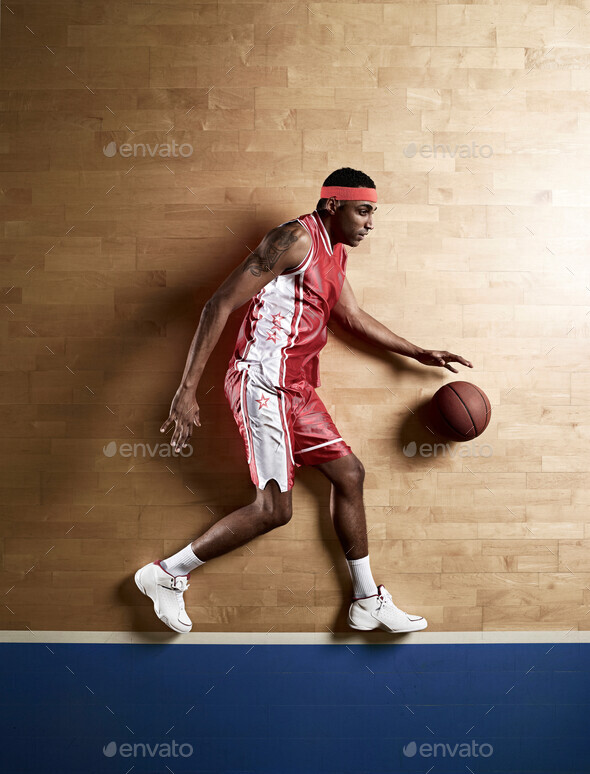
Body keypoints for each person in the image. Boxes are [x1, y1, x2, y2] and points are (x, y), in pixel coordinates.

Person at [135, 167, 473, 634]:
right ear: (333, 205)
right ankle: (166, 575)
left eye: (373, 212)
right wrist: (186, 391)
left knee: (350, 474)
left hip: (297, 389)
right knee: (274, 510)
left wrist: (416, 352)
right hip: (262, 384)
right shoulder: (293, 239)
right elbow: (218, 304)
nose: (370, 223)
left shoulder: (335, 252)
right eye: (363, 210)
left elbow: (350, 315)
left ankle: (366, 601)